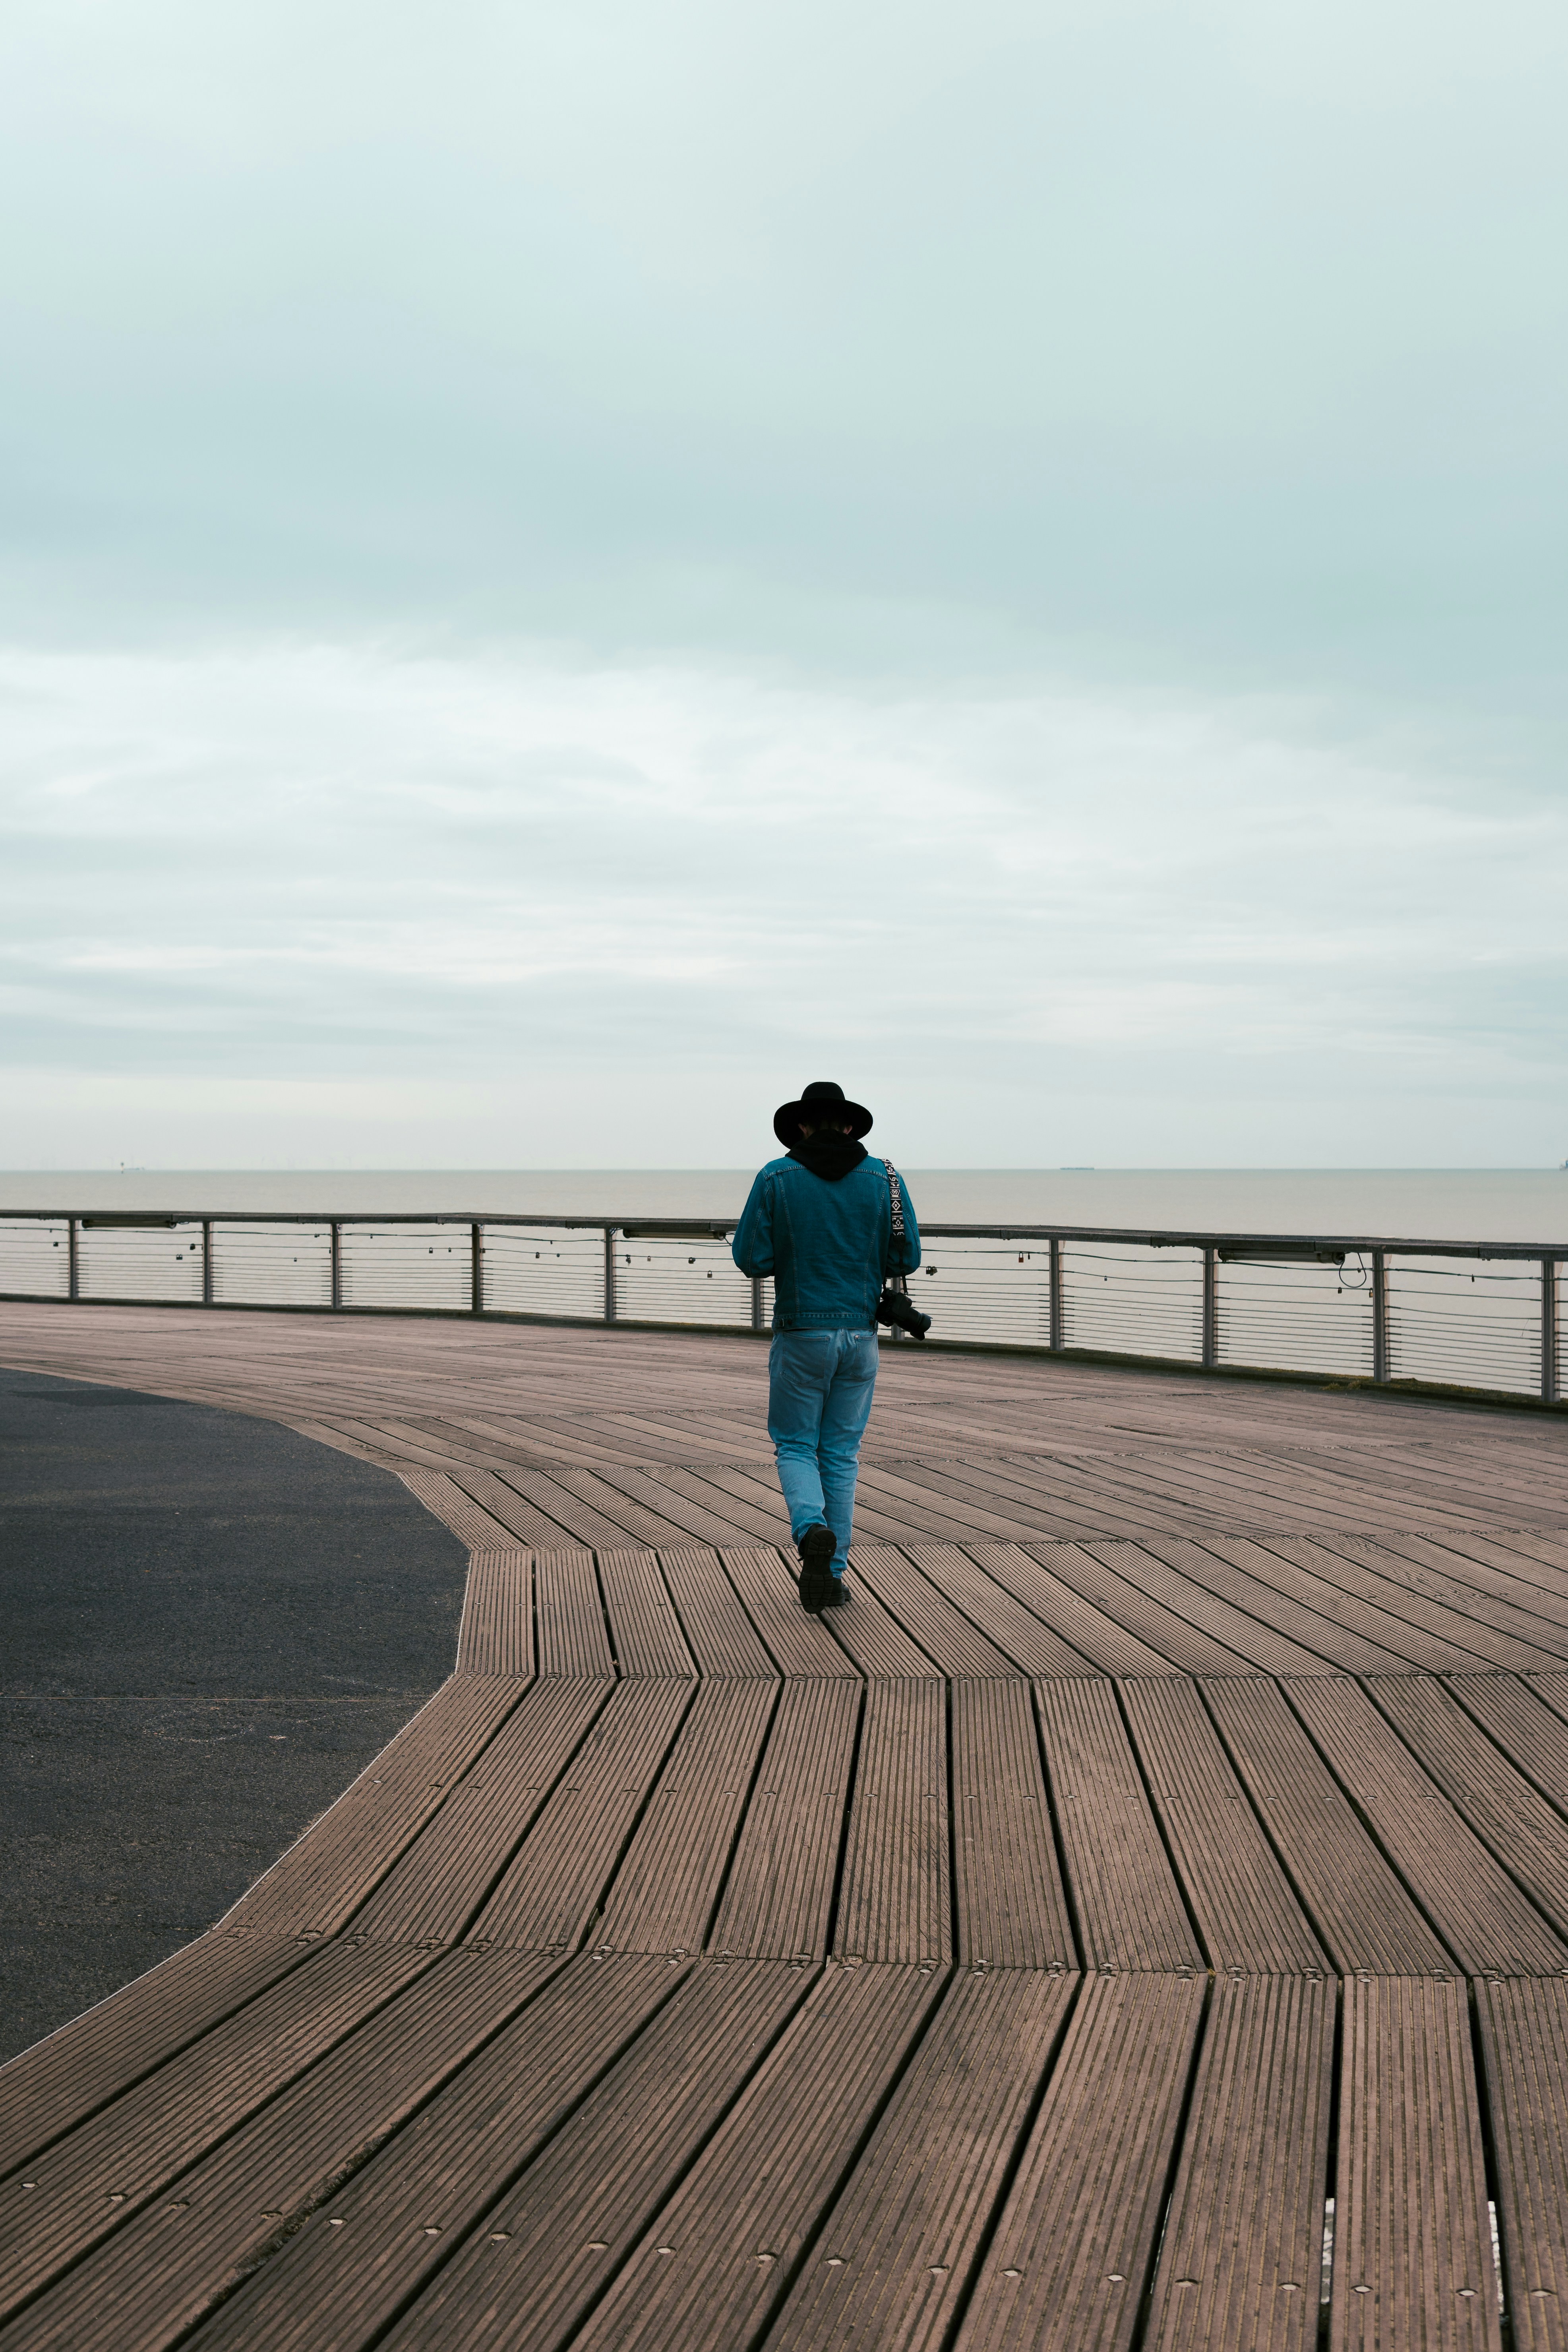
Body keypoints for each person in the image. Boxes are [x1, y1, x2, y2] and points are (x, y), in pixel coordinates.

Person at [732, 1080, 921, 1612]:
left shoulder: (777, 1176)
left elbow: (751, 1258)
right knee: (840, 1453)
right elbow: (905, 1259)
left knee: (795, 1445)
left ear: (800, 1125)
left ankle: (811, 1529)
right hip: (860, 1334)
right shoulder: (883, 1177)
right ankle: (832, 1575)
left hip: (800, 1331)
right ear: (848, 1125)